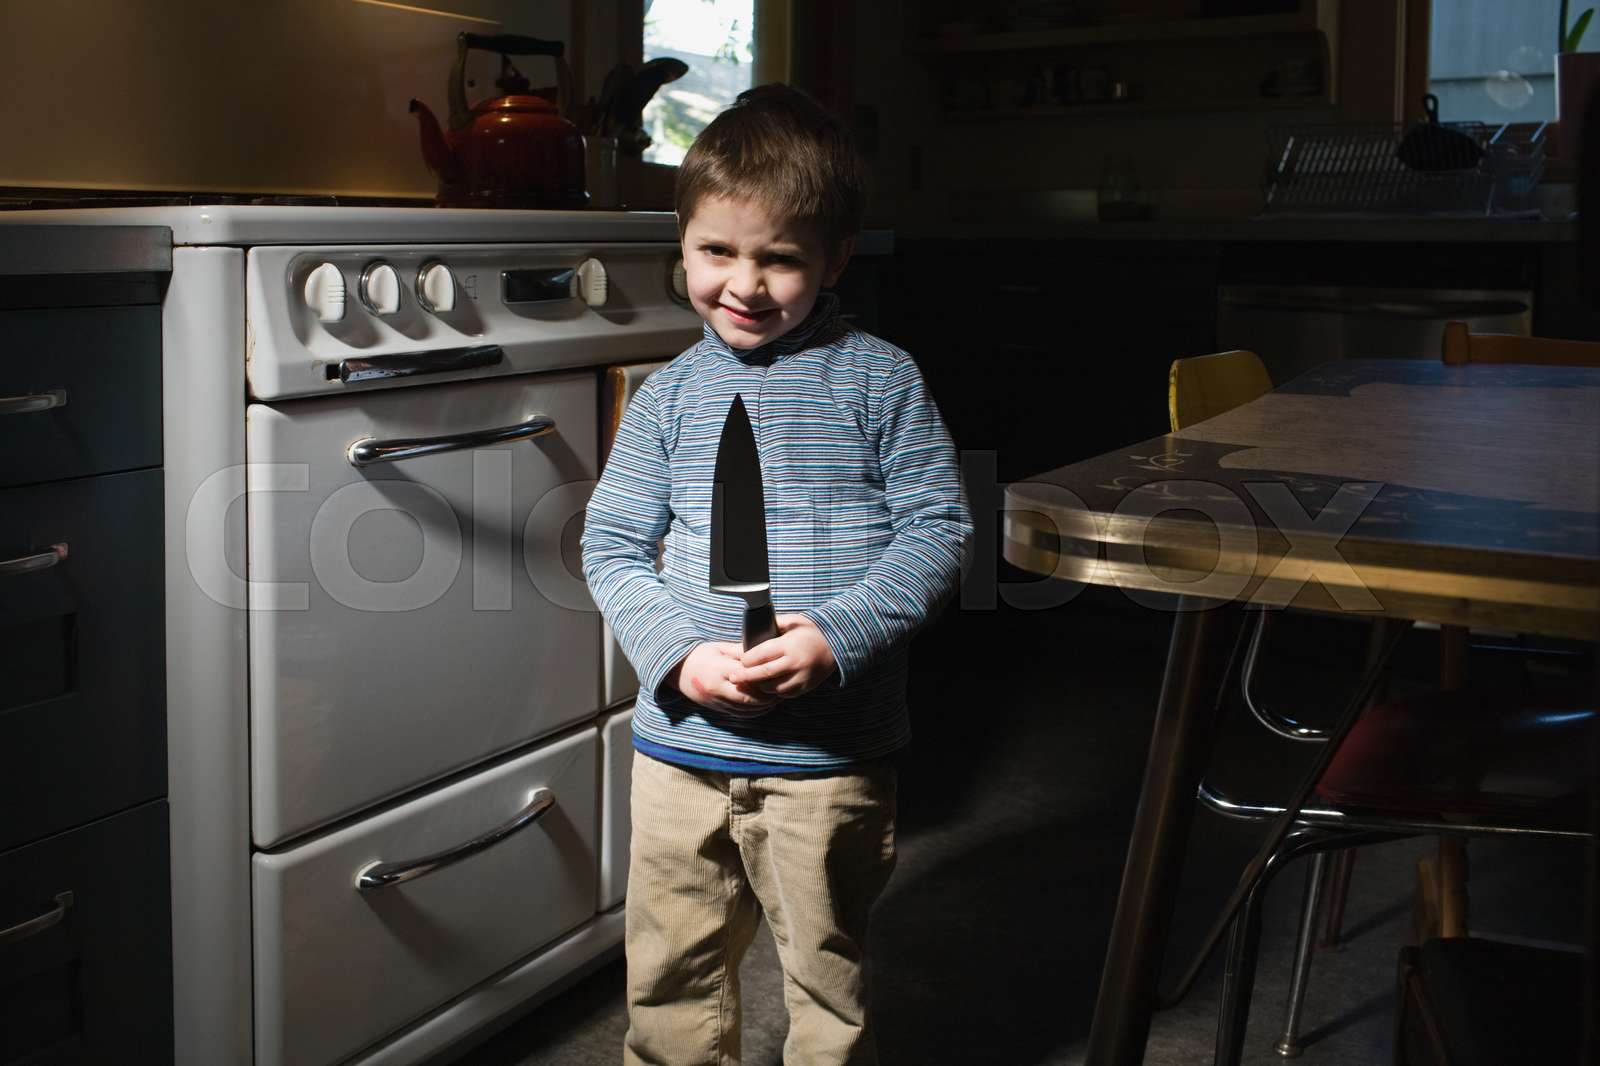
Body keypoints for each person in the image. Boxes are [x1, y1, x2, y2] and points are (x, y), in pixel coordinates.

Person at [581, 83, 972, 1066]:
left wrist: (835, 636)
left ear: (835, 259)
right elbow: (611, 545)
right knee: (669, 971)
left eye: (781, 258)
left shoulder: (881, 380)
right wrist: (677, 656)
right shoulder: (668, 397)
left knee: (827, 973)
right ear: (682, 247)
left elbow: (938, 530)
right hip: (679, 750)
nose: (745, 285)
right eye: (717, 251)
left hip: (829, 761)